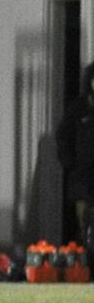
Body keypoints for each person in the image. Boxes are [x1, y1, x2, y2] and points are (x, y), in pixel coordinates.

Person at [58, 63, 94, 253]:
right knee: (83, 218)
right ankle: (83, 258)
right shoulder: (78, 108)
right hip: (81, 173)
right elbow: (64, 135)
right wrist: (68, 161)